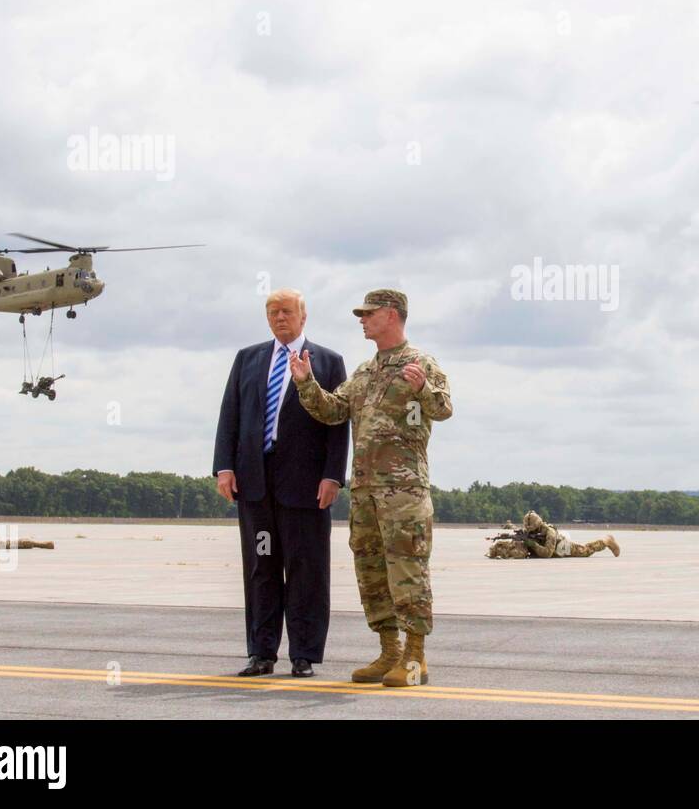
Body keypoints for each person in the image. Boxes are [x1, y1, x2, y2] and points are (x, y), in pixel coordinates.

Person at [291, 289, 451, 687]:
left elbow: (444, 409)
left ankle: (415, 658)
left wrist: (423, 390)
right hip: (364, 492)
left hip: (404, 491)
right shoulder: (363, 372)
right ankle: (390, 651)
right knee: (372, 571)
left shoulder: (421, 363)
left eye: (369, 313)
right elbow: (332, 411)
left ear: (392, 315)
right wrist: (306, 383)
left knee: (408, 571)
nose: (362, 320)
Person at [212, 289, 348, 679]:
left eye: (286, 311)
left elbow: (338, 424)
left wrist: (333, 475)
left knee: (306, 569)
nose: (279, 317)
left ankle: (304, 654)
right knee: (261, 567)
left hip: (306, 487)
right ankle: (261, 652)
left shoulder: (328, 361)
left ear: (303, 316)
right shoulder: (248, 358)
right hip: (256, 484)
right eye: (272, 312)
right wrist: (224, 467)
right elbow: (230, 414)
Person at [486, 511, 620, 559]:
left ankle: (606, 541)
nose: (530, 531)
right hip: (551, 548)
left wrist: (533, 544)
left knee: (586, 551)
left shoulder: (549, 532)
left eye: (533, 529)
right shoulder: (529, 531)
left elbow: (547, 554)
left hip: (562, 547)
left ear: (538, 524)